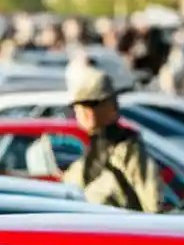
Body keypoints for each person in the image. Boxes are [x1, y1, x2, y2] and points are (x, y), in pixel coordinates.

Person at [62, 68, 162, 213]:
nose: (85, 112)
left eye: (92, 105)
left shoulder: (127, 149)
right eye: (80, 107)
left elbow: (153, 205)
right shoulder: (90, 150)